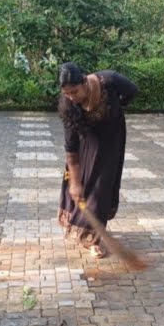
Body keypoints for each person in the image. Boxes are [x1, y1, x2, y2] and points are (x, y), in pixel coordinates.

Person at [56, 62, 137, 259]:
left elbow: (133, 90)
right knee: (80, 182)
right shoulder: (68, 105)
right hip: (86, 140)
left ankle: (93, 238)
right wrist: (75, 183)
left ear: (84, 82)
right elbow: (71, 148)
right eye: (67, 93)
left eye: (75, 91)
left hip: (111, 138)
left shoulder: (110, 81)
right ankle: (79, 223)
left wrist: (119, 104)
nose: (71, 97)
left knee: (100, 187)